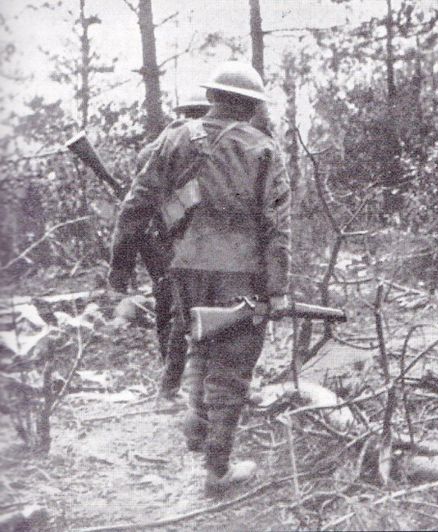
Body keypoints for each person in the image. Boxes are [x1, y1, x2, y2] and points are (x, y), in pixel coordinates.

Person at [109, 61, 290, 494]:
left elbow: (134, 207)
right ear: (249, 107)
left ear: (211, 98)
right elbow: (277, 224)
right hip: (240, 273)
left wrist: (119, 268)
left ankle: (197, 427)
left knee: (198, 345)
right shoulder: (263, 149)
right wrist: (278, 288)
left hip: (185, 266)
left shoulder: (173, 139)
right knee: (231, 366)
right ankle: (218, 470)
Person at [122, 90, 212, 400]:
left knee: (170, 307)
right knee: (181, 310)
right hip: (183, 240)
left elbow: (139, 202)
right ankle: (178, 384)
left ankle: (171, 382)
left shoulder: (154, 148)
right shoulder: (204, 145)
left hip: (163, 238)